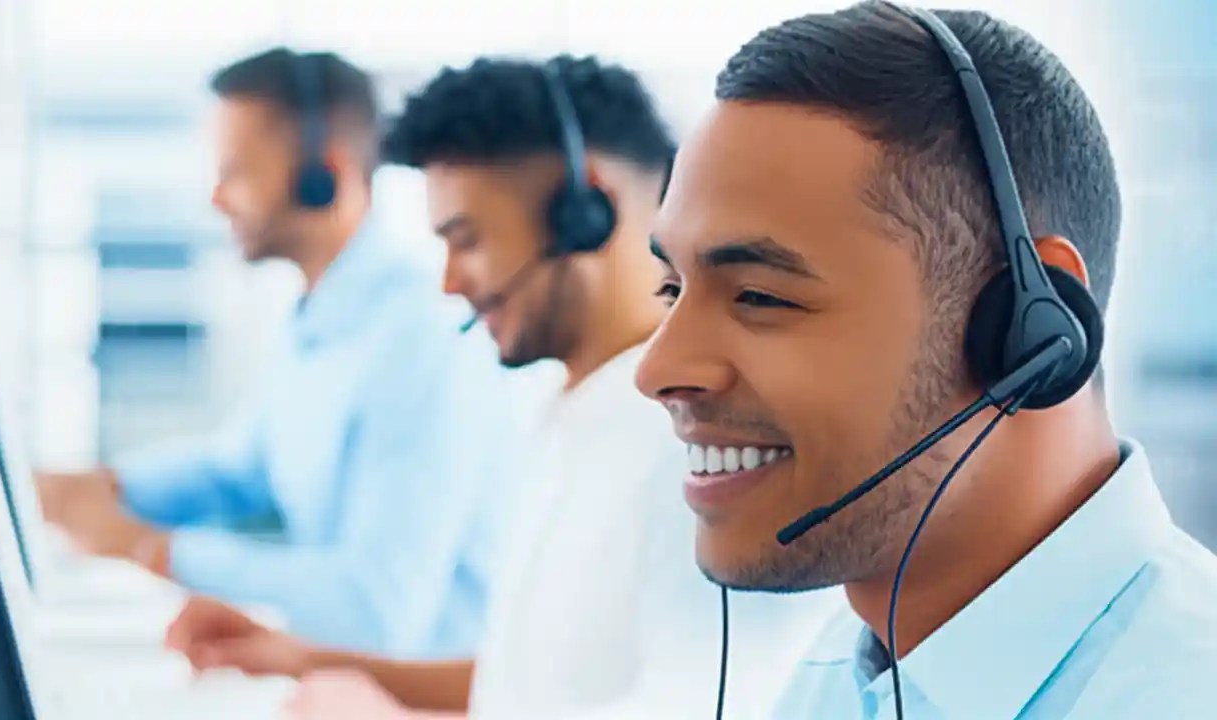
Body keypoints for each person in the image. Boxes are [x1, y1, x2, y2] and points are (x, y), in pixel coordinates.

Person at [165, 54, 839, 719]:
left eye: (468, 240)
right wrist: (303, 659)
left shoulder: (700, 446)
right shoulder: (569, 413)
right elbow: (527, 689)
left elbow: (688, 708)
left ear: (585, 213)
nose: (449, 282)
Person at [636, 2, 1217, 718]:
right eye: (671, 288)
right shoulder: (832, 678)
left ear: (1029, 331)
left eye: (758, 296)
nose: (655, 370)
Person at [34, 47, 523, 661]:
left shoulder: (420, 340)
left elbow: (375, 610)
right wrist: (97, 490)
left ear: (324, 176)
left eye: (236, 171)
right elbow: (241, 469)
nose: (216, 198)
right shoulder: (321, 317)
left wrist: (148, 548)